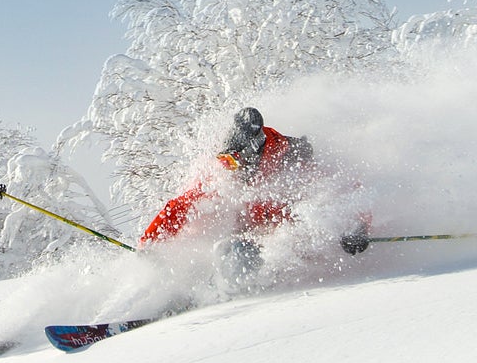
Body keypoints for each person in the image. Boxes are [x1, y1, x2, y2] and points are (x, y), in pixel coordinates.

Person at [140, 107, 370, 284]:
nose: (231, 168)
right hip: (242, 236)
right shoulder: (222, 174)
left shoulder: (291, 159)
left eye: (235, 161)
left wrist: (358, 226)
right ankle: (199, 283)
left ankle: (254, 282)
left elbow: (347, 188)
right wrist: (150, 243)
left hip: (284, 238)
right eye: (227, 161)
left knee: (255, 245)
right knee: (225, 241)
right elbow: (181, 205)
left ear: (254, 155)